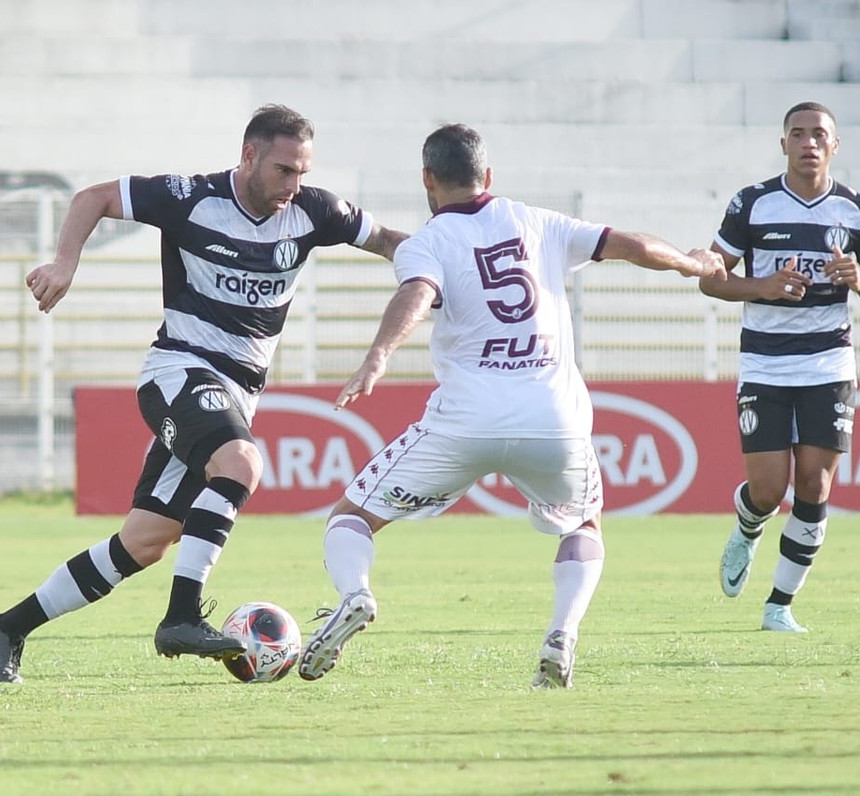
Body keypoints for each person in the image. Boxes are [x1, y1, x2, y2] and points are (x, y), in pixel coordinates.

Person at [0, 104, 408, 683]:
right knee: (243, 462)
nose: (293, 185)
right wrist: (66, 262)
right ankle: (180, 615)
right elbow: (94, 197)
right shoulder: (189, 198)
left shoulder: (315, 211)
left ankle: (7, 627)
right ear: (249, 155)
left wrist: (445, 267)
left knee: (143, 543)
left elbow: (386, 240)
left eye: (302, 171)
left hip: (236, 393)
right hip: (179, 371)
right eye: (283, 170)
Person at [295, 123, 727, 689]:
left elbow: (416, 294)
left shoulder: (428, 243)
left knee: (352, 517)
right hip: (554, 421)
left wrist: (378, 356)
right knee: (585, 524)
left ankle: (355, 595)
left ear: (427, 179)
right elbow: (634, 246)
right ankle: (562, 633)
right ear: (488, 176)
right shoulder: (539, 222)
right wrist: (695, 264)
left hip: (464, 423)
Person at [703, 101, 860, 633]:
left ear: (835, 146)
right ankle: (747, 528)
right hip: (765, 364)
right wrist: (761, 287)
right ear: (783, 144)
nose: (809, 142)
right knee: (768, 490)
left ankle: (779, 607)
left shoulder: (857, 210)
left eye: (819, 135)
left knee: (814, 484)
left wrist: (858, 281)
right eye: (798, 134)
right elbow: (711, 278)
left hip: (828, 363)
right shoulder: (753, 204)